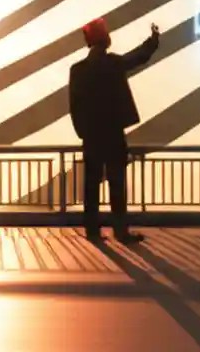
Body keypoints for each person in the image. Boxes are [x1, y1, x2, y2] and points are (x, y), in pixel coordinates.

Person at [68, 17, 159, 243]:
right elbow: (137, 57)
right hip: (113, 134)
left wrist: (84, 133)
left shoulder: (78, 70)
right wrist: (153, 41)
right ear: (105, 39)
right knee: (117, 184)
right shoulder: (114, 63)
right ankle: (121, 231)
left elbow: (75, 105)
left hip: (92, 136)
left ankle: (92, 231)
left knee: (92, 184)